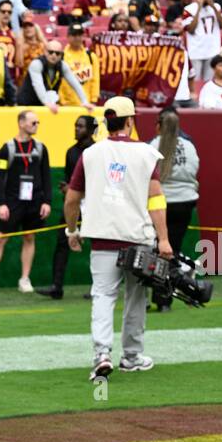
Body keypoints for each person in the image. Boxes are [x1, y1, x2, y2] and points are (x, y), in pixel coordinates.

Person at [64, 96, 171, 381]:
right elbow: (156, 200)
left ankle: (102, 354)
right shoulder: (146, 153)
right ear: (130, 120)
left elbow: (72, 199)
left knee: (102, 295)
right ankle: (132, 356)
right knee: (136, 298)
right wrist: (164, 240)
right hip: (137, 237)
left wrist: (71, 231)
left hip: (101, 238)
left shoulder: (91, 154)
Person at [0, 109, 51, 294]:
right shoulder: (6, 148)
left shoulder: (41, 148)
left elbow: (46, 175)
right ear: (21, 123)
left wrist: (46, 201)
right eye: (33, 122)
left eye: (38, 122)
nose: (36, 125)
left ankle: (24, 279)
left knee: (29, 237)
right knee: (0, 238)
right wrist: (2, 203)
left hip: (34, 201)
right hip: (13, 201)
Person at [39, 112, 96, 299]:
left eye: (81, 126)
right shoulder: (71, 152)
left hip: (93, 205)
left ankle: (98, 288)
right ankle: (57, 287)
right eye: (76, 125)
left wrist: (75, 188)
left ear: (90, 130)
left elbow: (97, 182)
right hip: (73, 204)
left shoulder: (97, 152)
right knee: (62, 242)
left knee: (97, 246)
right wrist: (67, 189)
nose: (77, 129)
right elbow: (70, 178)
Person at [148, 107, 199, 311]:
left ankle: (161, 298)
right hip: (185, 202)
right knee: (173, 250)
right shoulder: (188, 146)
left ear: (159, 126)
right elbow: (194, 170)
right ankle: (172, 294)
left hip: (162, 204)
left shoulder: (153, 146)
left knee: (158, 252)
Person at [17, 40, 90, 111]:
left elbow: (76, 84)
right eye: (50, 52)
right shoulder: (36, 64)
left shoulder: (63, 66)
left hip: (45, 105)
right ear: (45, 52)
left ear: (61, 55)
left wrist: (85, 102)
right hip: (27, 104)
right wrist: (47, 103)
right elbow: (38, 86)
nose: (54, 55)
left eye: (57, 53)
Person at [181, 0, 222, 93]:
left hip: (212, 51)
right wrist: (199, 8)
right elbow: (190, 29)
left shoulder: (216, 7)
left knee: (209, 84)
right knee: (195, 83)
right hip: (196, 51)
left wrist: (213, 8)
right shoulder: (189, 9)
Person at [58, 22, 97, 106]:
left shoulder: (91, 56)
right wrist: (61, 101)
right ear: (68, 37)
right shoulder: (61, 56)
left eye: (80, 35)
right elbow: (58, 81)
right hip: (66, 105)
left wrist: (94, 100)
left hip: (87, 104)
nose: (77, 38)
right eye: (74, 35)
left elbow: (95, 80)